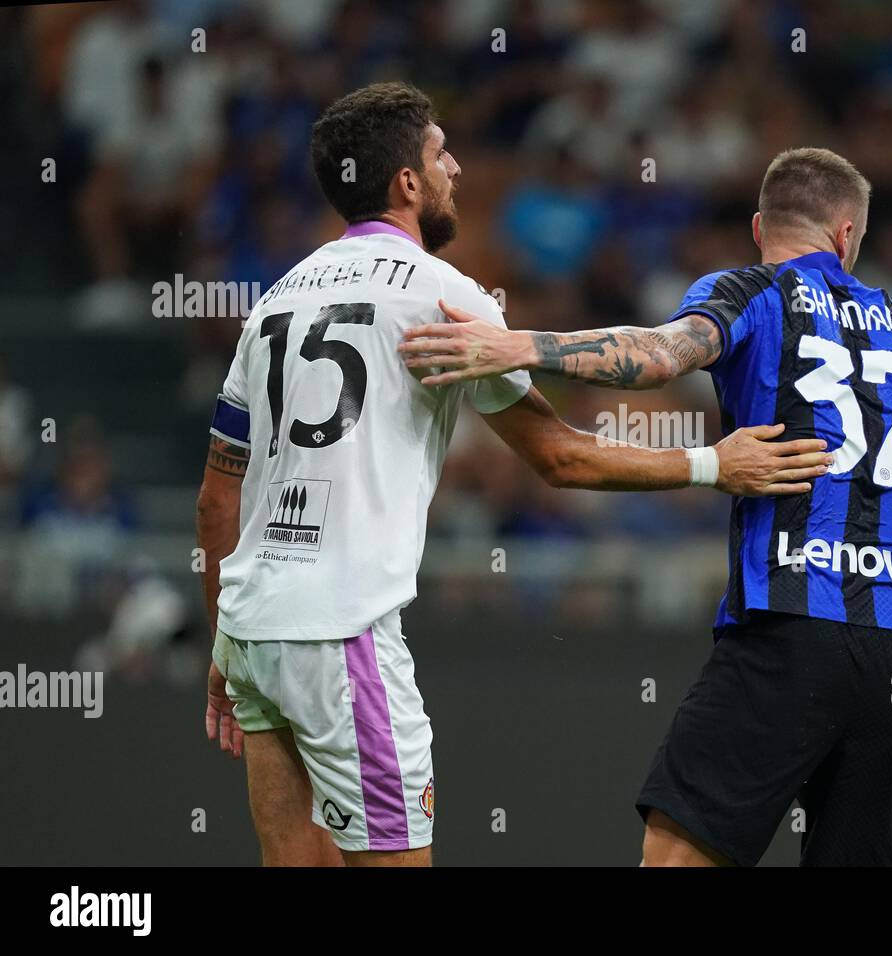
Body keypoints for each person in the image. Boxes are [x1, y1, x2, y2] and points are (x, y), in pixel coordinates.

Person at [399, 147, 892, 867]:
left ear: (758, 227)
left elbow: (657, 355)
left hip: (788, 632)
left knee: (678, 859)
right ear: (847, 237)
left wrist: (515, 345)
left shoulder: (751, 291)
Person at [196, 84, 831, 868]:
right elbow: (559, 455)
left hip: (254, 628)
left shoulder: (273, 305)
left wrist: (223, 648)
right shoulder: (442, 295)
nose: (456, 167)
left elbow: (215, 501)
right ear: (406, 183)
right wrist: (710, 463)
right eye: (439, 154)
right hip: (341, 628)